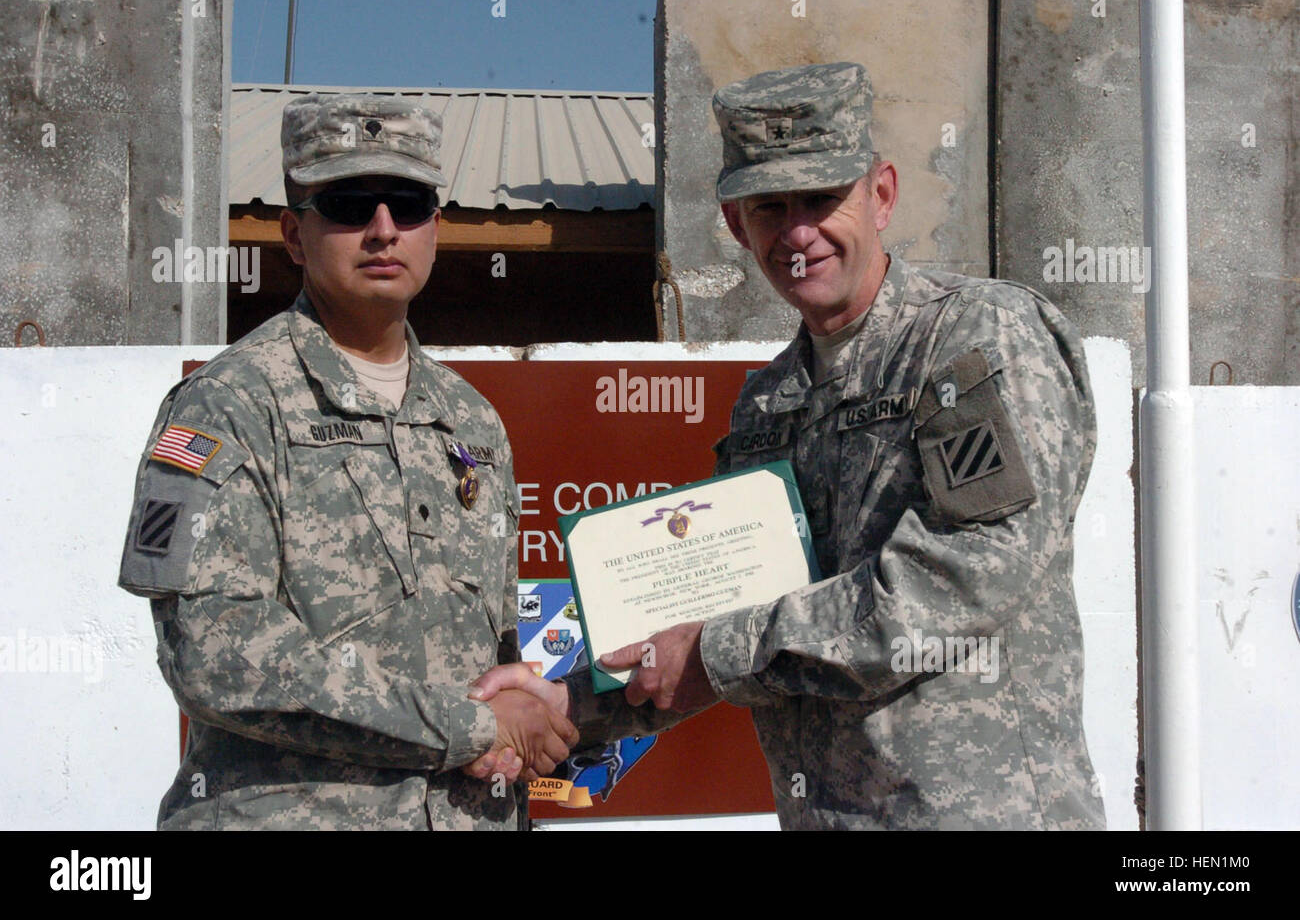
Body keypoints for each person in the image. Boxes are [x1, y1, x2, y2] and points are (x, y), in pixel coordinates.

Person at [469, 62, 1105, 830]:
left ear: (881, 195)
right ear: (739, 227)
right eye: (771, 207)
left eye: (822, 199)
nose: (799, 233)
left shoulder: (977, 340)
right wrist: (564, 701)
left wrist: (714, 650)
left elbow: (957, 581)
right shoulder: (768, 402)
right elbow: (707, 614)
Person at [118, 93, 576, 830]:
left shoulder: (471, 421)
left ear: (436, 227)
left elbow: (494, 652)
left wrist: (540, 706)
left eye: (408, 202)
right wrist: (470, 728)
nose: (383, 228)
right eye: (349, 203)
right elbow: (214, 655)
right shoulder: (229, 404)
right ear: (294, 235)